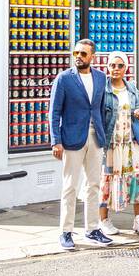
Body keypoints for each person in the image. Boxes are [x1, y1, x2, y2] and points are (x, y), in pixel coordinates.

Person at [50, 39, 114, 251]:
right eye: (76, 52)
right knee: (70, 186)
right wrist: (56, 141)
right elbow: (55, 112)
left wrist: (105, 134)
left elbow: (104, 108)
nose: (78, 56)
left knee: (94, 184)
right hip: (71, 138)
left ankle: (92, 229)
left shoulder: (100, 77)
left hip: (96, 138)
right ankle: (66, 232)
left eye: (83, 54)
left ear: (92, 57)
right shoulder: (64, 79)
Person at [98, 52, 139, 237]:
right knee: (106, 180)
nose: (116, 69)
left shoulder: (132, 89)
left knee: (136, 179)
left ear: (126, 68)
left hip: (130, 143)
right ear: (107, 67)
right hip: (110, 144)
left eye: (120, 65)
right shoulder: (102, 90)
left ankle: (138, 220)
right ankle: (103, 220)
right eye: (113, 65)